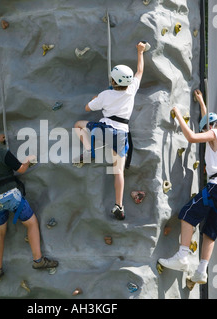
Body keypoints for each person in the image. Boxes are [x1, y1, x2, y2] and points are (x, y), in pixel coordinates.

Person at [158, 89, 217, 284]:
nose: (206, 133)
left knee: (187, 213)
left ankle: (183, 256)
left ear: (210, 127)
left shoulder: (213, 133)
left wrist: (178, 115)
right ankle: (201, 271)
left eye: (206, 129)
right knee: (210, 231)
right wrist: (202, 102)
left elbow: (193, 137)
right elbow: (207, 122)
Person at [0, 124, 58, 279]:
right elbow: (21, 169)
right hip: (11, 196)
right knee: (31, 223)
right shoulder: (3, 154)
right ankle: (38, 260)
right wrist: (27, 160)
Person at [73, 41, 146, 220]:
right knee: (118, 170)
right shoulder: (131, 90)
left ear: (113, 81)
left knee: (79, 125)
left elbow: (88, 108)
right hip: (121, 134)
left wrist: (97, 98)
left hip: (104, 129)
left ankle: (89, 149)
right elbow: (140, 71)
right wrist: (140, 52)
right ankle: (119, 205)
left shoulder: (105, 95)